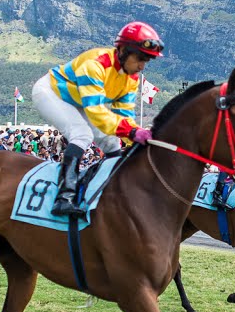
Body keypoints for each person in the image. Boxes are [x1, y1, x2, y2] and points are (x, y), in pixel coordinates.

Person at [33, 21, 162, 216]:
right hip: (51, 92)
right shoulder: (95, 64)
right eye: (140, 58)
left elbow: (124, 116)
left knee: (112, 144)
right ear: (124, 50)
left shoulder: (131, 79)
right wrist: (133, 132)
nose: (142, 66)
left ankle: (109, 195)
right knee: (81, 134)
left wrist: (136, 139)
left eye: (147, 61)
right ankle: (64, 198)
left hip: (80, 101)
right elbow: (96, 113)